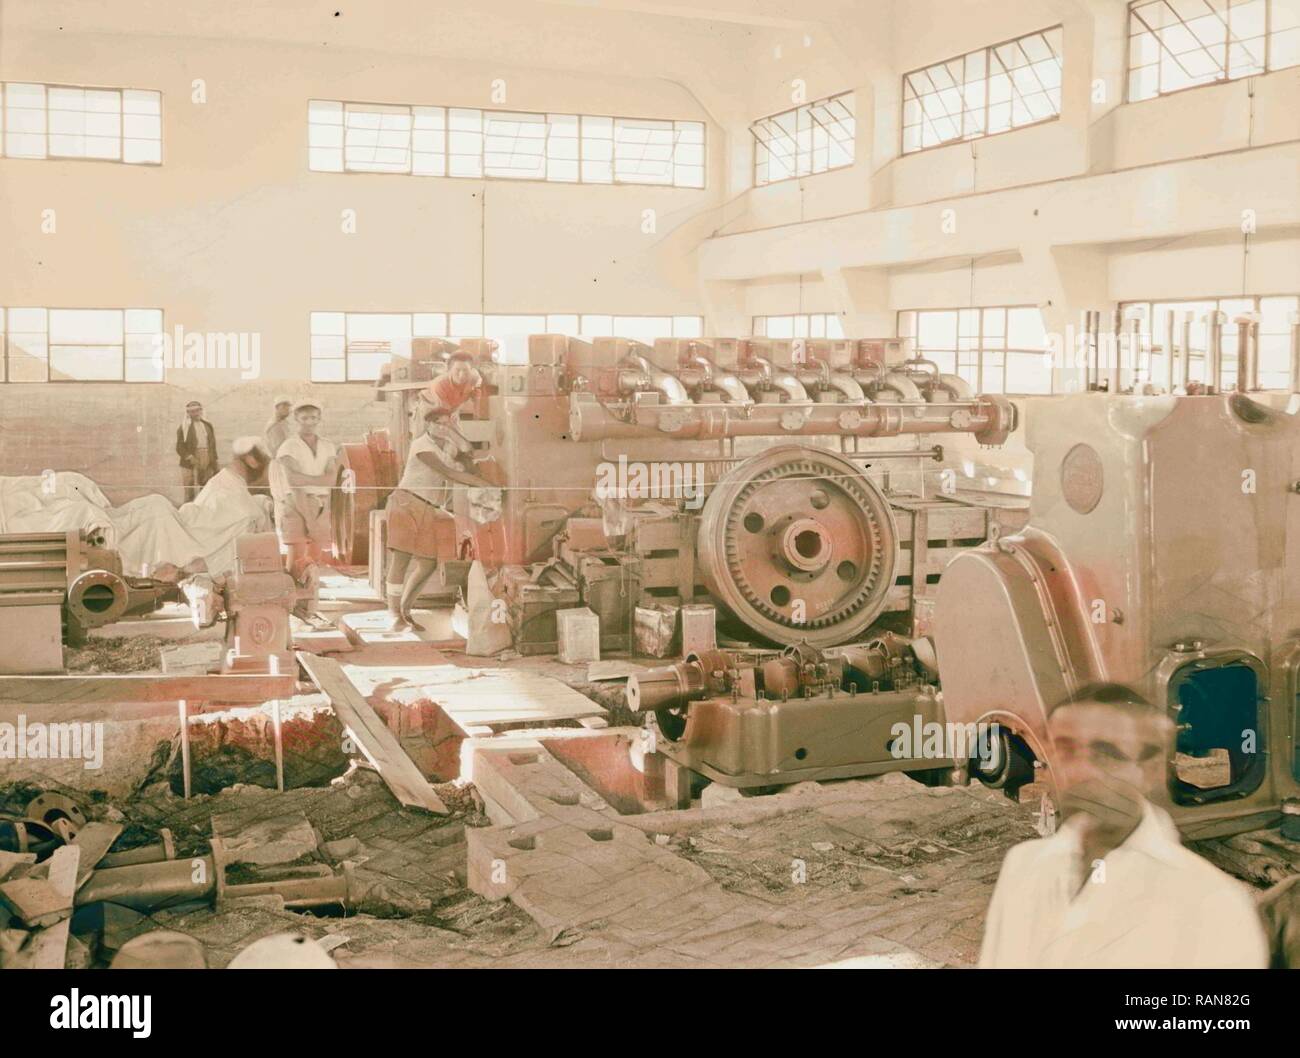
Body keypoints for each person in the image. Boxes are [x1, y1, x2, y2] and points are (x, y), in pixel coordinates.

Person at [979, 682, 1268, 969]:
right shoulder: (1023, 866)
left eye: (1106, 753)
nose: (1080, 771)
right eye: (1065, 749)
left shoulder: (1213, 903)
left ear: (1152, 770)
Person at [384, 405, 496, 631]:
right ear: (428, 424)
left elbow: (469, 452)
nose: (443, 427)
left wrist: (453, 430)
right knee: (401, 561)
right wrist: (484, 484)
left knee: (427, 564)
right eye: (439, 423)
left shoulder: (446, 444)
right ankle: (394, 614)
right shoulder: (421, 446)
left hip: (426, 507)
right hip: (405, 502)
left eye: (446, 423)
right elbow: (449, 473)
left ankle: (406, 611)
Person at [274, 401, 339, 591]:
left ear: (319, 419)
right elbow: (293, 481)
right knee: (297, 552)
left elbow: (331, 480)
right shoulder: (289, 446)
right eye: (304, 418)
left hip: (322, 502)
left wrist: (308, 479)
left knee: (315, 553)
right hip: (296, 501)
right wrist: (318, 480)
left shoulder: (327, 446)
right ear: (296, 419)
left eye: (313, 418)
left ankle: (309, 593)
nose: (309, 422)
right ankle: (291, 592)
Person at [418, 351, 482, 424]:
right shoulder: (439, 386)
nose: (461, 375)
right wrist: (453, 413)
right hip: (429, 406)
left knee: (456, 432)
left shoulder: (475, 377)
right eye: (457, 370)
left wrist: (476, 416)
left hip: (450, 407)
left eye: (465, 370)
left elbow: (475, 395)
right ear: (449, 370)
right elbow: (444, 413)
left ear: (471, 369)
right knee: (433, 432)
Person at [176, 400, 218, 501]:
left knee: (206, 486)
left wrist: (214, 461)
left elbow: (212, 445)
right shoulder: (184, 428)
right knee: (189, 487)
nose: (196, 413)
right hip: (190, 460)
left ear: (201, 411)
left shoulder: (208, 426)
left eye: (197, 410)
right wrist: (190, 457)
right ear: (188, 413)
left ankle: (203, 510)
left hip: (207, 457)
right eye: (192, 411)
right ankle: (188, 511)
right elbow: (179, 447)